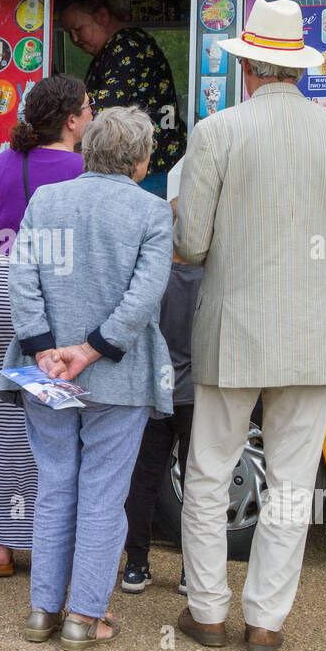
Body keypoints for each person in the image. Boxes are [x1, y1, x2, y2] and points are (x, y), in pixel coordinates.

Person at [173, 0, 326, 651]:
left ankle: (206, 613)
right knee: (292, 482)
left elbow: (193, 244)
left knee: (207, 475)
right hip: (311, 334)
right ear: (300, 70)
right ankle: (265, 622)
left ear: (249, 68)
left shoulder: (217, 132)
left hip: (233, 331)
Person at [0, 106, 173, 650]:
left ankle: (42, 612)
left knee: (54, 488)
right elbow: (143, 298)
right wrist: (91, 350)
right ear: (142, 160)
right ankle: (84, 616)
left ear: (88, 150)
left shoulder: (47, 200)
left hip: (43, 369)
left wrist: (44, 348)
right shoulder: (152, 212)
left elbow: (19, 277)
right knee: (103, 497)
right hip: (118, 375)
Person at [0, 74, 88, 577]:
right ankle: (49, 539)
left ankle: (0, 544)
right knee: (56, 416)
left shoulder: (4, 162)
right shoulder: (83, 169)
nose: (92, 116)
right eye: (89, 108)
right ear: (70, 120)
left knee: (2, 418)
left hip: (4, 287)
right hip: (56, 294)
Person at [119, 249, 203, 594]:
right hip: (197, 394)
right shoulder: (209, 281)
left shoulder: (152, 279)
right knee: (198, 485)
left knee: (142, 481)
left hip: (154, 392)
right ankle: (190, 571)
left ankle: (137, 566)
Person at [59, 0, 186, 197]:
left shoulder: (126, 46)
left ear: (102, 16)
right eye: (69, 34)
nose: (74, 39)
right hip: (142, 165)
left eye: (78, 29)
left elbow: (102, 107)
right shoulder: (117, 47)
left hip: (147, 167)